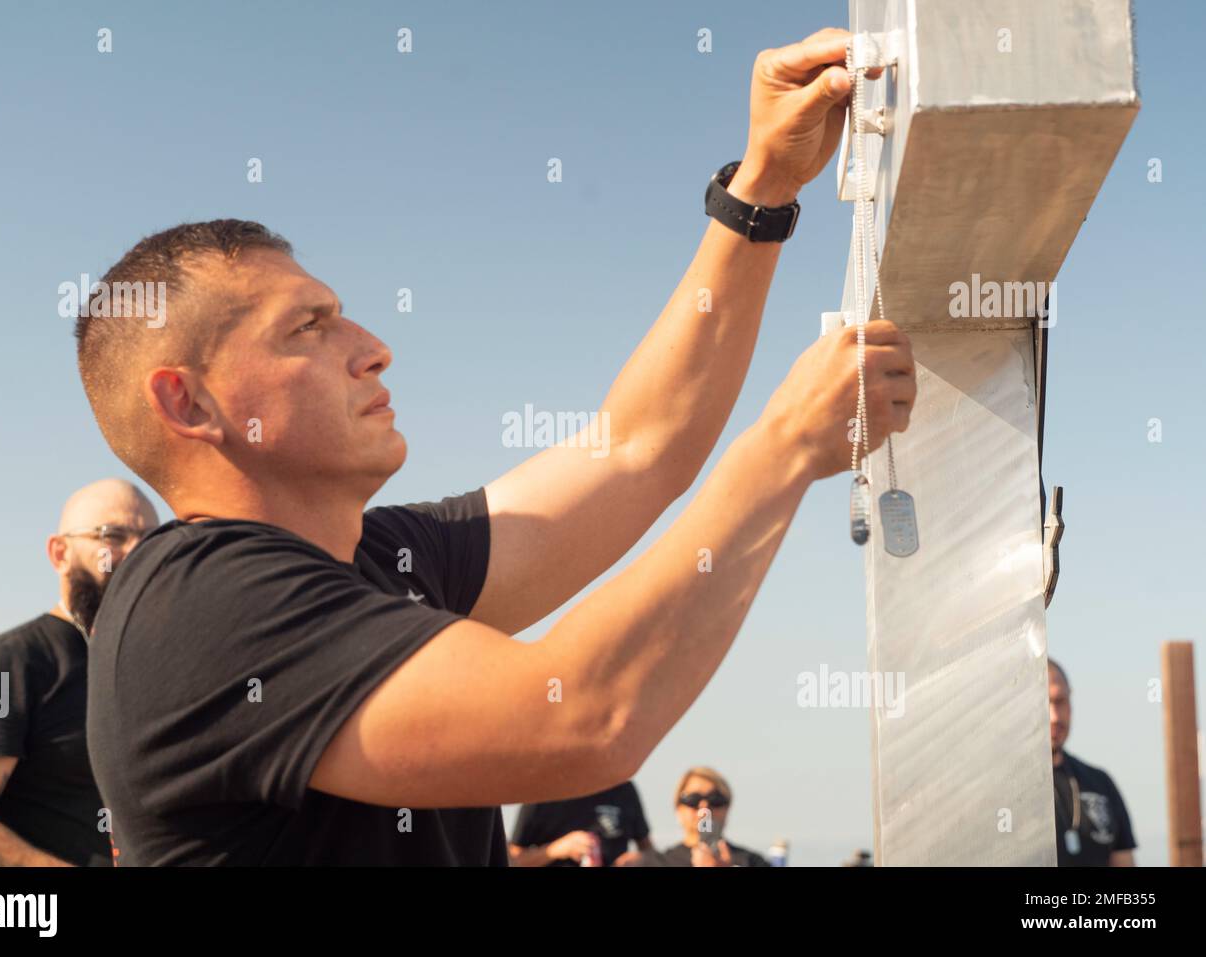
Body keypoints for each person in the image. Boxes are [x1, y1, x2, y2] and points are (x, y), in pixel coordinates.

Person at [76, 26, 916, 865]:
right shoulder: (194, 604)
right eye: (309, 326)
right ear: (188, 402)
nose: (371, 346)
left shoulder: (381, 559)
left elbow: (638, 447)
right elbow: (583, 715)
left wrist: (763, 186)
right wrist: (784, 449)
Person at [0, 479, 158, 866]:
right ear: (59, 553)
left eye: (150, 540)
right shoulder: (5, 663)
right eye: (111, 536)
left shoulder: (152, 666)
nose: (134, 552)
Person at [1048, 659, 1136, 866]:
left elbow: (1124, 861)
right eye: (1043, 702)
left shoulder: (1100, 783)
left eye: (1060, 701)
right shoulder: (1006, 790)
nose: (1054, 717)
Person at [509, 781, 653, 866]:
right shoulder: (543, 790)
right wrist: (555, 850)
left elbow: (648, 850)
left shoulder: (623, 789)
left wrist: (641, 860)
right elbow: (513, 860)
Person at [658, 767, 768, 867]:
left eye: (715, 799)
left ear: (727, 808)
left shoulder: (753, 862)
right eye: (693, 799)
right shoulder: (660, 863)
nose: (704, 806)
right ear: (678, 808)